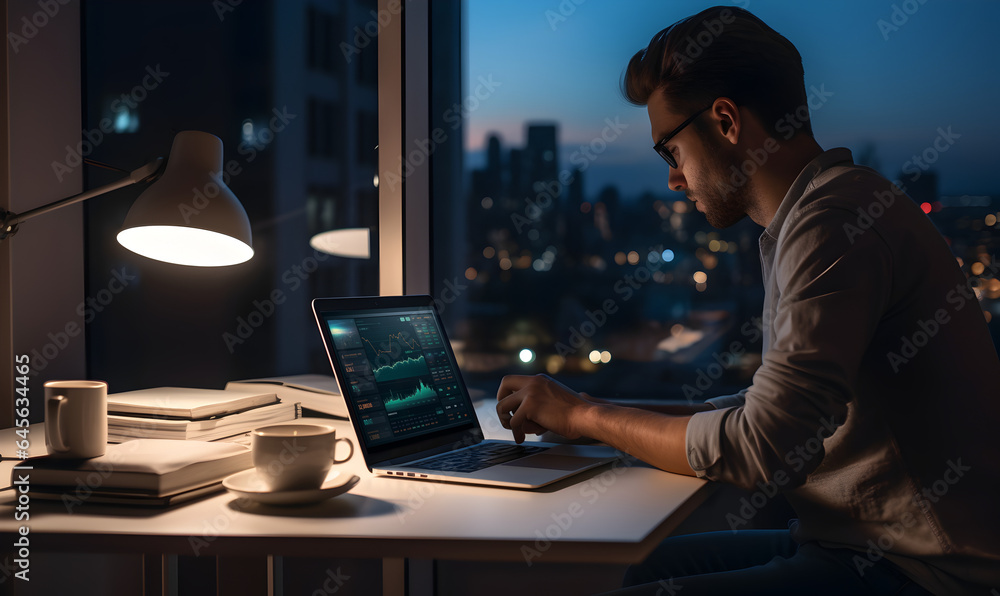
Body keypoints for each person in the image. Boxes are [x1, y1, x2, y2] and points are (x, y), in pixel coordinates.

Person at [495, 6, 1000, 595]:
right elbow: (769, 408)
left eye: (669, 150)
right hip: (855, 542)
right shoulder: (820, 215)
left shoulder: (834, 224)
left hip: (926, 571)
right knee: (653, 569)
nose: (672, 179)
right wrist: (593, 414)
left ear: (727, 121)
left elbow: (765, 448)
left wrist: (586, 417)